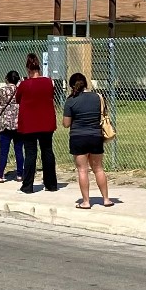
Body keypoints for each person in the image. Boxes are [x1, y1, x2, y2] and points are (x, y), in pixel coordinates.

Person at [61, 72, 111, 209]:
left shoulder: (70, 101)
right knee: (99, 168)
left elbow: (66, 124)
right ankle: (106, 199)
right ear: (86, 84)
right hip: (95, 136)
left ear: (72, 86)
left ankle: (86, 201)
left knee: (83, 171)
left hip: (78, 137)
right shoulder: (97, 97)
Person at [14, 54, 60, 194]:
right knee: (47, 152)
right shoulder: (49, 82)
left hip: (29, 124)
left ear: (28, 68)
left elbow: (18, 99)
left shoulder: (24, 84)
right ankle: (51, 184)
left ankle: (28, 186)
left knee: (30, 154)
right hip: (46, 122)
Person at [0, 69, 27, 184]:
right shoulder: (20, 91)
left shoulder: (1, 91)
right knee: (19, 150)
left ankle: (0, 175)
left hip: (4, 124)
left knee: (3, 152)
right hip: (18, 124)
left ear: (7, 79)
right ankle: (20, 175)